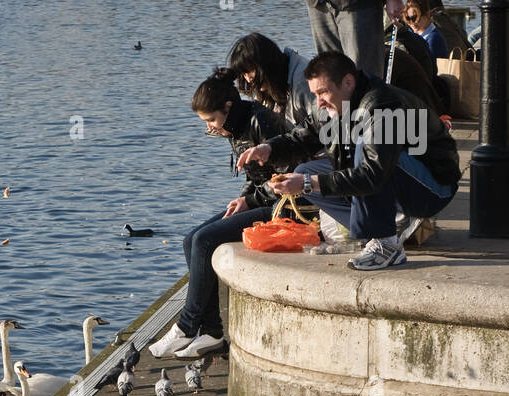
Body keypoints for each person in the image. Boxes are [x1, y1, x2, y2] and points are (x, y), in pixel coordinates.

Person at [237, 50, 460, 271]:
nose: (319, 102)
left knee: (356, 154)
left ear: (348, 82)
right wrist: (269, 148)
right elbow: (304, 136)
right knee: (307, 169)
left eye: (323, 92)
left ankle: (386, 244)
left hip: (435, 187)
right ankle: (377, 232)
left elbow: (373, 172)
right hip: (392, 173)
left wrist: (307, 183)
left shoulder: (381, 106)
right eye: (315, 94)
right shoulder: (336, 104)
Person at [149, 68, 291, 359]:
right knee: (191, 240)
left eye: (212, 120)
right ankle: (212, 331)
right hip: (261, 200)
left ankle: (187, 325)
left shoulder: (259, 120)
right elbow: (256, 175)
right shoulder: (235, 125)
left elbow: (284, 176)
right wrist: (243, 199)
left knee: (205, 241)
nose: (211, 128)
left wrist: (251, 201)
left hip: (285, 206)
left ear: (228, 107)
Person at [306, 0, 406, 77]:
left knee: (364, 75)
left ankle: (366, 104)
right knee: (330, 76)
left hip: (359, 6)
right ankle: (345, 105)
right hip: (318, 6)